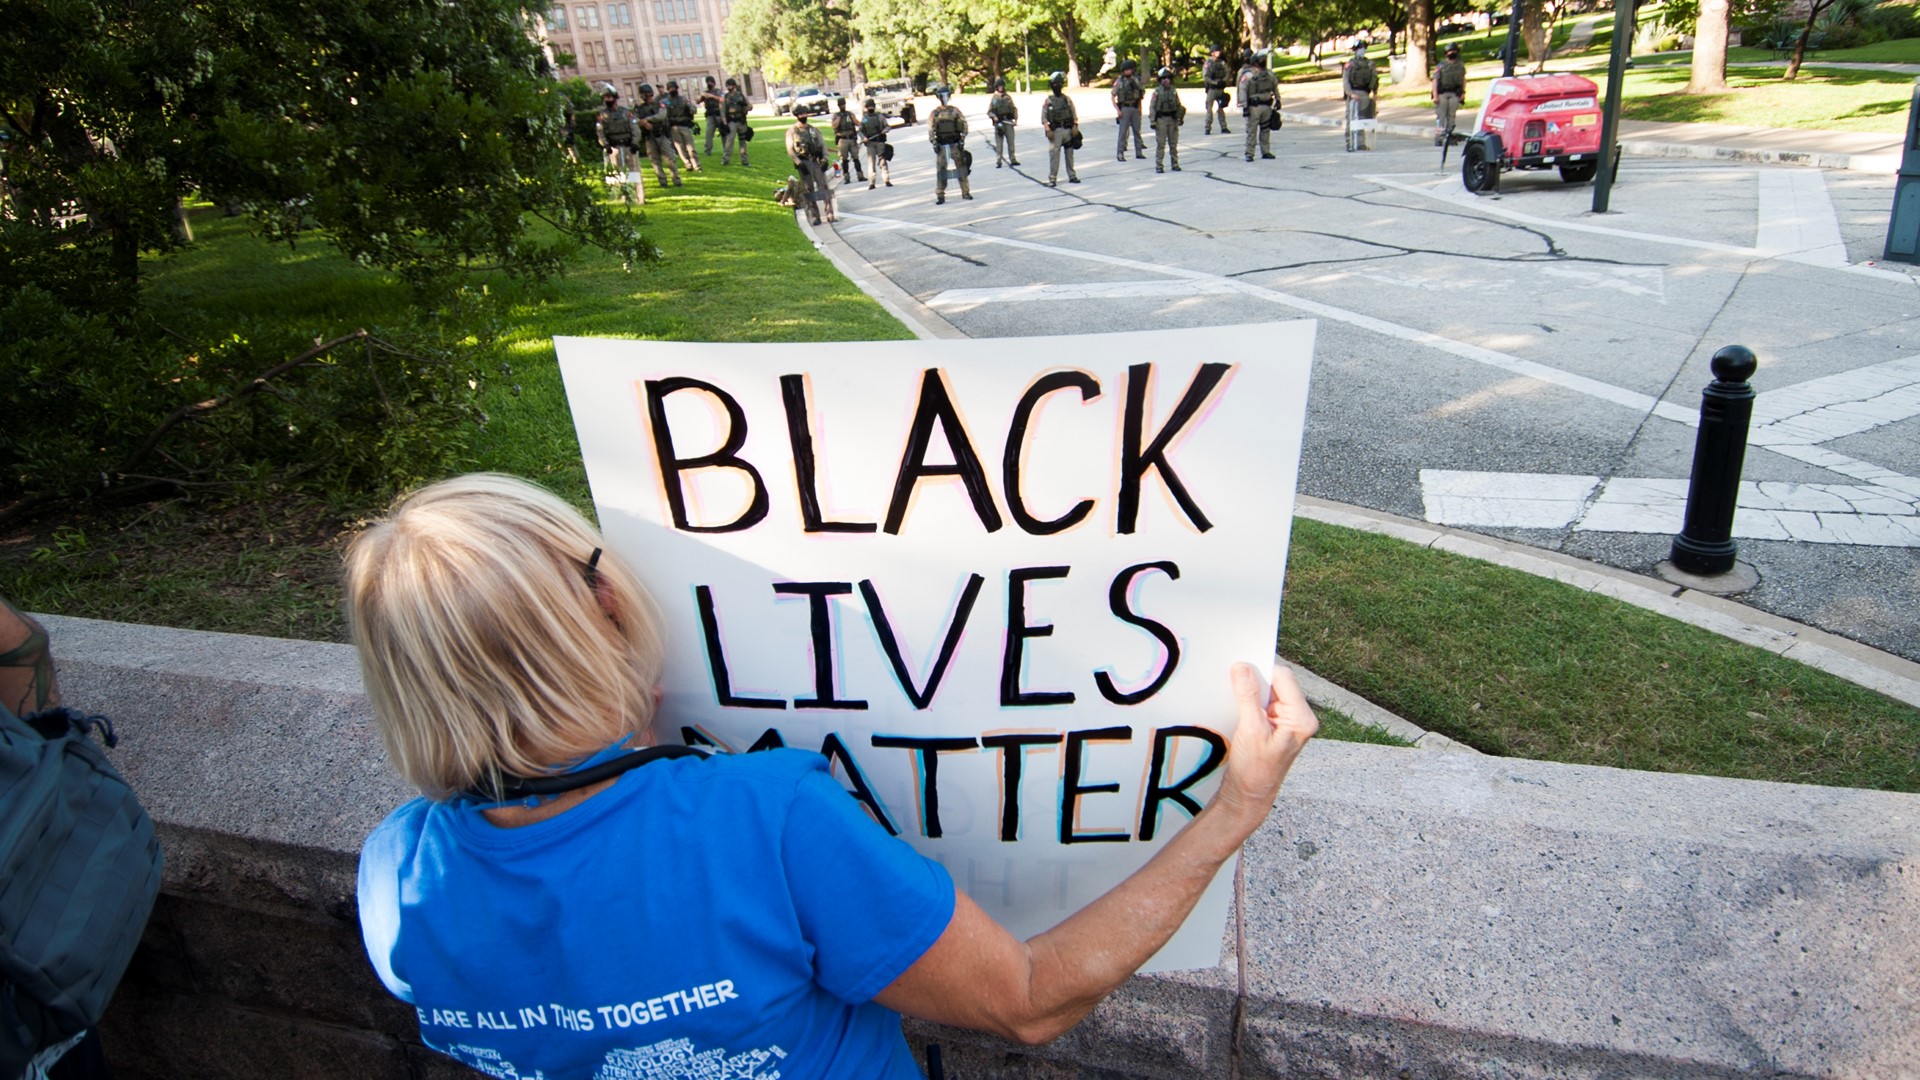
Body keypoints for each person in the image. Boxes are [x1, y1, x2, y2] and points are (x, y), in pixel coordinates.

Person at [349, 473, 1319, 1080]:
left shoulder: (394, 873)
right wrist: (1236, 803)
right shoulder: (760, 816)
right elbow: (1030, 999)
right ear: (602, 601)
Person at [593, 83, 644, 203]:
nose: (607, 100)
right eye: (605, 98)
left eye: (609, 97)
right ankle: (624, 197)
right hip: (613, 148)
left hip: (628, 146)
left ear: (615, 97)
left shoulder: (626, 112)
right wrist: (605, 144)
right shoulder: (602, 115)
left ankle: (639, 198)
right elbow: (600, 132)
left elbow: (635, 128)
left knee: (634, 172)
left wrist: (635, 143)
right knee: (618, 173)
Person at [785, 110, 833, 224]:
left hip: (817, 161)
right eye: (801, 114)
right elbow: (790, 149)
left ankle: (829, 212)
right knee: (809, 189)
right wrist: (798, 163)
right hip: (804, 162)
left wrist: (825, 159)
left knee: (824, 187)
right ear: (797, 116)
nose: (803, 116)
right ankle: (815, 216)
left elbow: (822, 145)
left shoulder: (814, 129)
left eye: (805, 114)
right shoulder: (792, 131)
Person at [926, 84, 970, 205]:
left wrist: (962, 139)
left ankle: (965, 192)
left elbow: (964, 124)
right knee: (941, 171)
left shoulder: (955, 110)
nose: (944, 98)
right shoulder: (935, 113)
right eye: (942, 96)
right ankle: (940, 194)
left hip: (955, 143)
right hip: (941, 145)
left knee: (961, 169)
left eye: (946, 95)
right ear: (938, 97)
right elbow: (930, 129)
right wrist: (934, 142)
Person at [633, 83, 683, 187]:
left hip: (661, 135)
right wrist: (644, 123)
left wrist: (647, 119)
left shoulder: (660, 104)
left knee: (670, 159)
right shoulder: (639, 108)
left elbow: (662, 116)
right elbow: (634, 120)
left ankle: (676, 180)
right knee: (655, 161)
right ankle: (663, 182)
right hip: (649, 137)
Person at [1041, 71, 1080, 187]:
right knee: (1054, 155)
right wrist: (1048, 130)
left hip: (1067, 130)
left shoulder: (1067, 99)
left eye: (1059, 84)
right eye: (1055, 84)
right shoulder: (1048, 101)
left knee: (1069, 154)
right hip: (1055, 131)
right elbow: (1043, 118)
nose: (1057, 86)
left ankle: (1072, 175)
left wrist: (1075, 127)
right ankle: (1052, 178)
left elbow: (1074, 114)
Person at [1239, 51, 1278, 161]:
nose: (1263, 61)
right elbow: (1243, 91)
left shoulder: (1269, 74)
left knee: (1265, 129)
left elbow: (1275, 87)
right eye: (1261, 60)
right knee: (1252, 130)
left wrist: (1278, 99)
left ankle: (1265, 151)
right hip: (1254, 107)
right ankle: (1249, 153)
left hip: (1267, 106)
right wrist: (1245, 107)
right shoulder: (1248, 75)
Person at [1149, 66, 1186, 174]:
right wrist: (1153, 121)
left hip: (1172, 119)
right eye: (1163, 78)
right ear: (1160, 80)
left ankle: (1175, 163)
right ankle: (1159, 165)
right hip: (1161, 120)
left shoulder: (1173, 91)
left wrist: (1180, 117)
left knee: (1173, 143)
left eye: (1168, 78)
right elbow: (1152, 107)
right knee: (1161, 144)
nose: (1166, 80)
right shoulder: (1157, 92)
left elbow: (1178, 105)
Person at [1344, 41, 1378, 151]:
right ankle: (1350, 142)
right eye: (1360, 48)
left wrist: (1375, 93)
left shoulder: (1370, 64)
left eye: (1363, 48)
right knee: (1352, 118)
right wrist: (1350, 93)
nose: (1362, 50)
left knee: (1364, 119)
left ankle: (1361, 142)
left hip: (1365, 94)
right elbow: (1346, 80)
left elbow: (1375, 78)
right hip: (1354, 93)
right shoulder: (1350, 64)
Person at [661, 80, 702, 173]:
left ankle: (696, 165)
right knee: (680, 148)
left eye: (674, 88)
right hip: (673, 127)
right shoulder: (665, 102)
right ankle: (688, 164)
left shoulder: (683, 99)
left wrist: (689, 108)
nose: (672, 89)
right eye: (670, 88)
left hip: (684, 125)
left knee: (691, 148)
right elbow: (663, 114)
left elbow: (693, 109)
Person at [1111, 59, 1146, 162]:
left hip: (1135, 108)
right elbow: (1112, 96)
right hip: (1124, 108)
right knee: (1123, 132)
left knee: (1137, 131)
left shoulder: (1136, 80)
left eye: (1129, 69)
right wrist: (1118, 110)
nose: (1127, 72)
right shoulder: (1119, 82)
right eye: (1125, 70)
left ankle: (1139, 152)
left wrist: (1140, 109)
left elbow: (1140, 95)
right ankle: (1120, 153)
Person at [1433, 44, 1468, 145]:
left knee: (1451, 116)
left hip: (1454, 93)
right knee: (1441, 116)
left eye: (1454, 51)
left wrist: (1463, 92)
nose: (1452, 53)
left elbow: (1463, 79)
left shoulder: (1460, 65)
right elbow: (1435, 80)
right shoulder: (1441, 65)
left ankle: (1450, 136)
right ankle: (1439, 137)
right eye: (1450, 51)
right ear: (1446, 53)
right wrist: (1435, 95)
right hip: (1442, 93)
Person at [860, 97, 894, 188]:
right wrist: (864, 137)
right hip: (870, 143)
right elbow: (860, 131)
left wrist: (884, 131)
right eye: (868, 107)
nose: (870, 108)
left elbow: (888, 126)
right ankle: (872, 182)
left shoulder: (880, 117)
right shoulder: (864, 119)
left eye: (872, 106)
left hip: (880, 141)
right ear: (866, 108)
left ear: (874, 107)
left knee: (883, 161)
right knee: (871, 163)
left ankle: (886, 180)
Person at [831, 98, 865, 186]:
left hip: (851, 138)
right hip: (842, 139)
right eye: (841, 105)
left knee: (856, 158)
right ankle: (846, 177)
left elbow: (857, 123)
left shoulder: (850, 114)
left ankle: (860, 175)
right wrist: (839, 118)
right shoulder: (836, 116)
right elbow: (834, 126)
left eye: (844, 104)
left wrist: (856, 120)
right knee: (844, 160)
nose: (843, 106)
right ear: (838, 105)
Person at [987, 78, 1019, 167]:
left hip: (1008, 122)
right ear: (996, 87)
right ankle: (999, 160)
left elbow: (1014, 108)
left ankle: (1013, 159)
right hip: (999, 123)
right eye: (999, 86)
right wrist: (995, 117)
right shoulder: (994, 98)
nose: (1001, 88)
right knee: (999, 144)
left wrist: (1015, 119)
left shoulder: (1008, 97)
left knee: (1011, 142)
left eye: (1002, 86)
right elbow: (989, 111)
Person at [1202, 44, 1232, 135]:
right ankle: (1207, 127)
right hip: (1212, 89)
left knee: (1221, 108)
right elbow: (1205, 77)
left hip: (1220, 89)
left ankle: (1224, 127)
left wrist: (1223, 81)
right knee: (1209, 109)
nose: (1219, 53)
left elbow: (1228, 72)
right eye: (1217, 51)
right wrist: (1215, 83)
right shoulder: (1208, 63)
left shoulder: (1222, 62)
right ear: (1212, 53)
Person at [722, 78, 752, 166]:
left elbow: (750, 106)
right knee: (729, 141)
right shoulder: (725, 97)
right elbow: (722, 111)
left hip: (741, 120)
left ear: (734, 86)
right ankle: (726, 160)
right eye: (727, 85)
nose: (729, 87)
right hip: (731, 121)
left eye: (730, 85)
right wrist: (725, 124)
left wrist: (745, 107)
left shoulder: (741, 96)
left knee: (743, 141)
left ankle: (745, 161)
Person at [698, 75, 726, 155]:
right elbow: (698, 101)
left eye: (710, 82)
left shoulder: (718, 91)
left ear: (713, 83)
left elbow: (723, 99)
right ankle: (708, 150)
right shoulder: (705, 93)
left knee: (723, 133)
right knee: (709, 133)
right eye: (707, 82)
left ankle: (726, 149)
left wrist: (712, 96)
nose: (709, 83)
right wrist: (701, 96)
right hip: (710, 115)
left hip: (719, 113)